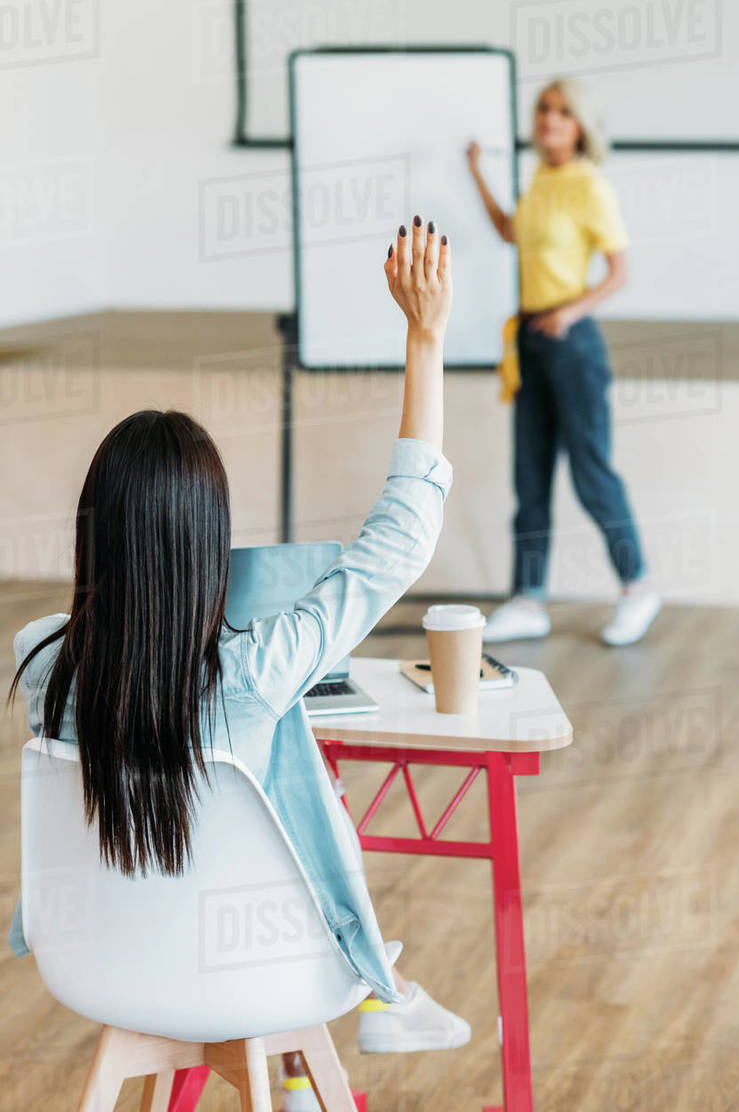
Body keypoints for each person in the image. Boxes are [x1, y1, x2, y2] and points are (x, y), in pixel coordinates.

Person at [8, 217, 470, 1112]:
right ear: (209, 548)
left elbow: (100, 630)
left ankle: (317, 1063)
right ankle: (377, 998)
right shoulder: (255, 671)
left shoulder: (38, 663)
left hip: (104, 962)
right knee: (292, 772)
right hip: (262, 974)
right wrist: (425, 337)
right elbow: (399, 539)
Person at [467, 78, 661, 646]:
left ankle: (638, 586)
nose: (549, 119)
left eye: (563, 112)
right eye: (544, 109)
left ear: (581, 126)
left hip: (572, 346)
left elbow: (618, 272)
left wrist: (569, 314)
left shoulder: (588, 186)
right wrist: (477, 171)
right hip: (529, 343)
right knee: (530, 477)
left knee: (590, 473)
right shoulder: (540, 179)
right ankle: (528, 599)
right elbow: (510, 231)